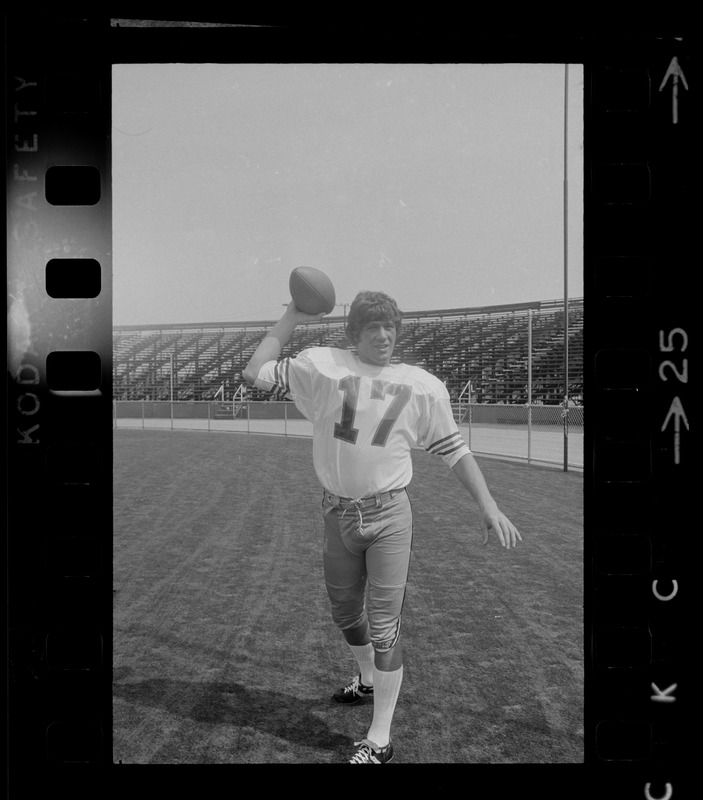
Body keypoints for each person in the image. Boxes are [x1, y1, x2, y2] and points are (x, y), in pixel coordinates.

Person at [242, 290, 521, 764]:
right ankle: (367, 679)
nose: (383, 335)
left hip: (390, 514)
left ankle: (379, 739)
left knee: (387, 627)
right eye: (372, 327)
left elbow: (454, 448)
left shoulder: (421, 385)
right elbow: (253, 373)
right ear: (355, 333)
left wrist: (488, 505)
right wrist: (293, 313)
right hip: (337, 512)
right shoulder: (323, 365)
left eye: (390, 326)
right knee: (347, 615)